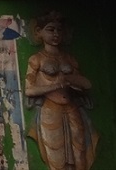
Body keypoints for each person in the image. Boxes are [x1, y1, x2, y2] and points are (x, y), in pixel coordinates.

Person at [25, 12, 97, 170]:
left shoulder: (69, 59)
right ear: (38, 32)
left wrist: (70, 80)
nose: (56, 34)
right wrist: (55, 85)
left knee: (79, 154)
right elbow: (29, 90)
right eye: (51, 29)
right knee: (56, 155)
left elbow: (86, 84)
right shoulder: (36, 59)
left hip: (72, 108)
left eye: (59, 30)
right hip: (51, 110)